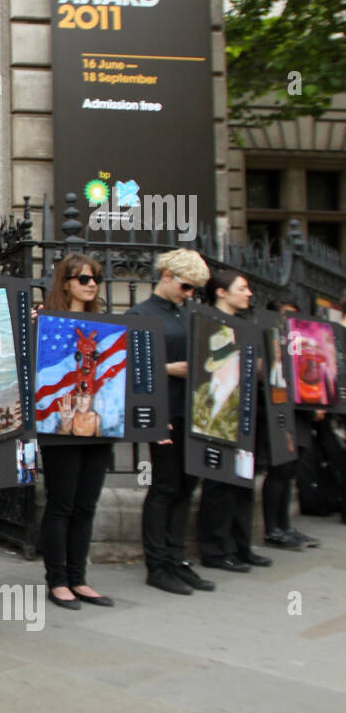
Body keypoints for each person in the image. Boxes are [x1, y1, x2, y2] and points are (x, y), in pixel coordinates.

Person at [125, 248, 216, 595]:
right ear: (166, 276)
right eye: (186, 286)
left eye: (194, 289)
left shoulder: (187, 313)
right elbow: (131, 367)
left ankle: (177, 559)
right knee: (164, 486)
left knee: (186, 486)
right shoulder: (140, 314)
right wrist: (166, 368)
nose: (190, 293)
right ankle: (158, 564)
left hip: (193, 411)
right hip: (163, 410)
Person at [38, 253, 115, 610]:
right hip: (59, 425)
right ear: (65, 282)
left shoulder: (107, 328)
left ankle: (78, 577)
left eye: (95, 278)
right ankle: (57, 580)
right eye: (82, 278)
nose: (90, 284)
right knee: (62, 502)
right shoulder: (46, 322)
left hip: (97, 424)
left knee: (87, 504)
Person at [194, 269, 274, 575]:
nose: (249, 293)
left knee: (243, 482)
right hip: (217, 415)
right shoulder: (207, 322)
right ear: (222, 292)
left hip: (244, 412)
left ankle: (241, 545)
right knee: (219, 483)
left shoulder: (245, 326)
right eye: (243, 288)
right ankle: (215, 549)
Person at [263, 300, 318, 550]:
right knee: (280, 471)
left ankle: (284, 526)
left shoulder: (302, 343)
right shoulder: (271, 340)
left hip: (302, 414)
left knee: (291, 471)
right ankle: (273, 529)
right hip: (282, 412)